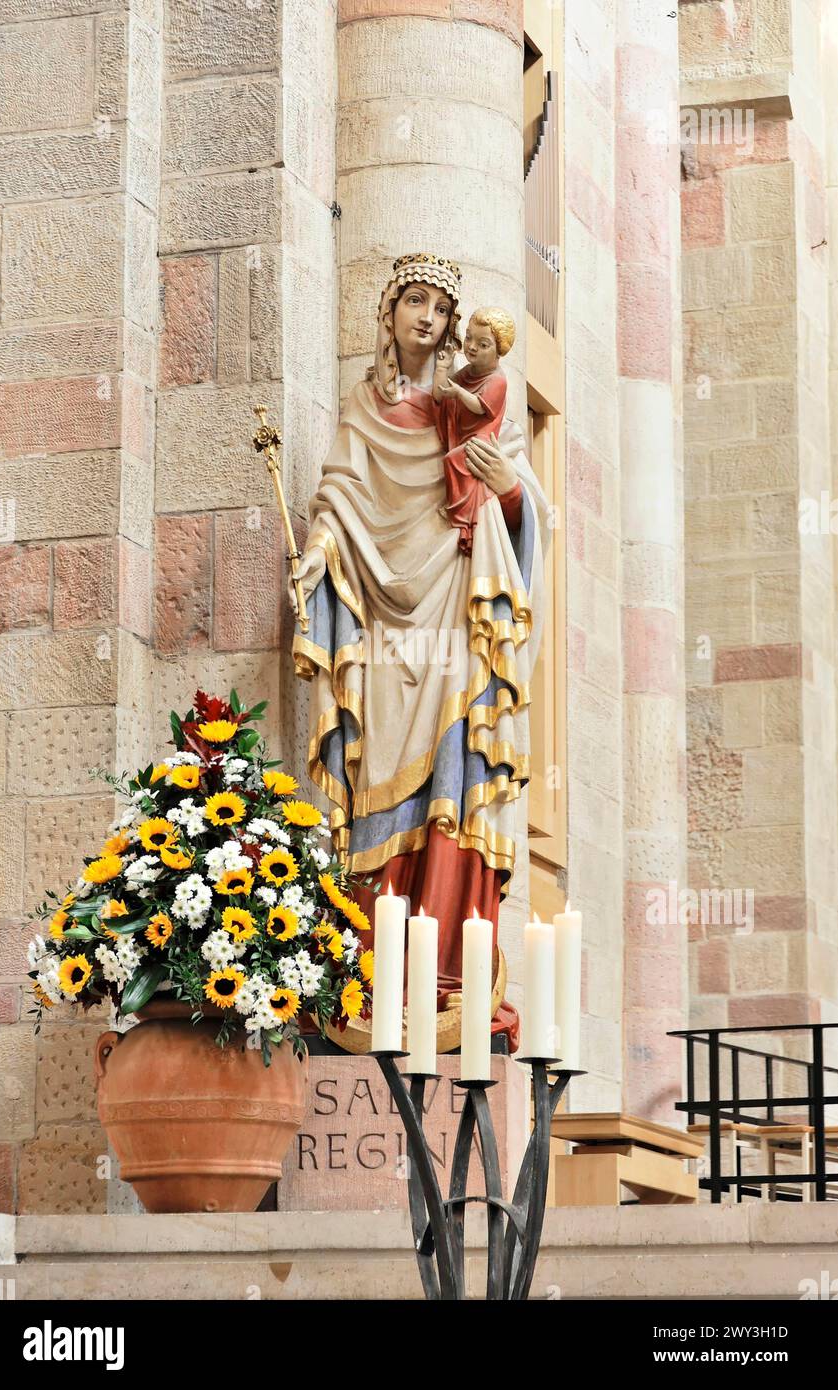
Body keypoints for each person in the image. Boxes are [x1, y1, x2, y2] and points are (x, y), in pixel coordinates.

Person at [288, 253, 552, 1048]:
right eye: (414, 301)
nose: (427, 318)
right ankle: (370, 972)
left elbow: (522, 510)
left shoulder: (467, 405)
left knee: (456, 774)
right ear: (389, 309)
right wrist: (318, 552)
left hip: (455, 589)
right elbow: (337, 493)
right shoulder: (362, 408)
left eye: (440, 307)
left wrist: (506, 485)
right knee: (374, 782)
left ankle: (443, 977)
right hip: (379, 617)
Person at [432, 307, 518, 555]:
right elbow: (439, 395)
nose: (471, 347)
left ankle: (463, 518)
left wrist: (458, 392)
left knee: (454, 460)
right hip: (462, 436)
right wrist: (441, 369)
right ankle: (459, 511)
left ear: (498, 351)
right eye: (468, 338)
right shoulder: (467, 373)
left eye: (482, 344)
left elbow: (480, 407)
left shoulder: (497, 380)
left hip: (481, 440)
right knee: (452, 459)